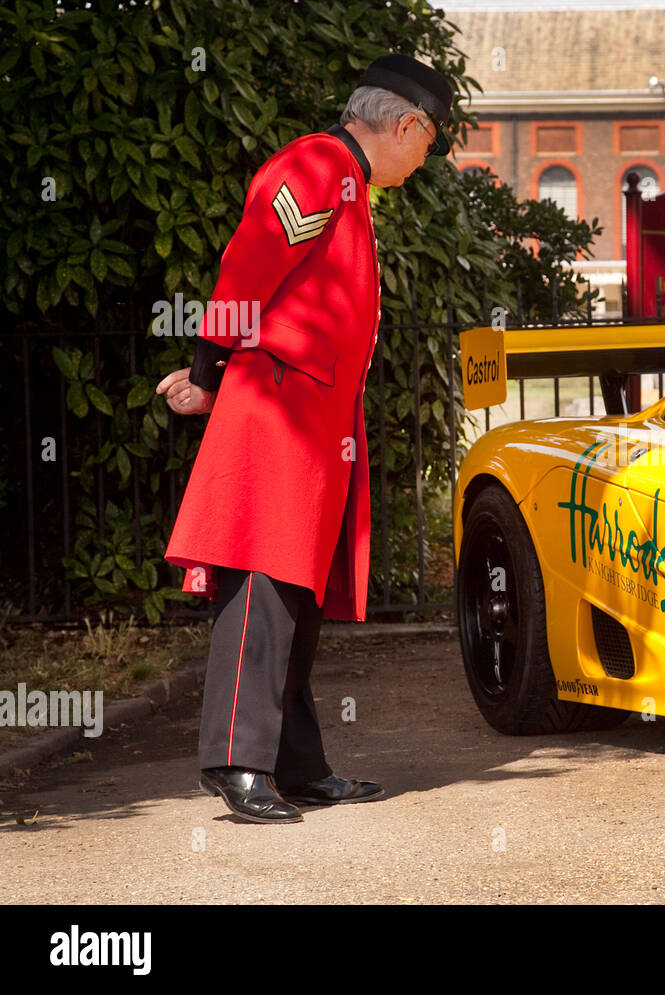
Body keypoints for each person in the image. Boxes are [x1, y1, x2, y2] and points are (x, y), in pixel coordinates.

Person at [155, 54, 454, 824]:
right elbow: (250, 264)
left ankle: (296, 764)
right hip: (280, 405)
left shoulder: (342, 179)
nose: (424, 160)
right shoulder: (321, 163)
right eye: (429, 143)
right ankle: (235, 760)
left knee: (294, 597)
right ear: (406, 125)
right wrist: (208, 369)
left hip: (309, 414)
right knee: (261, 582)